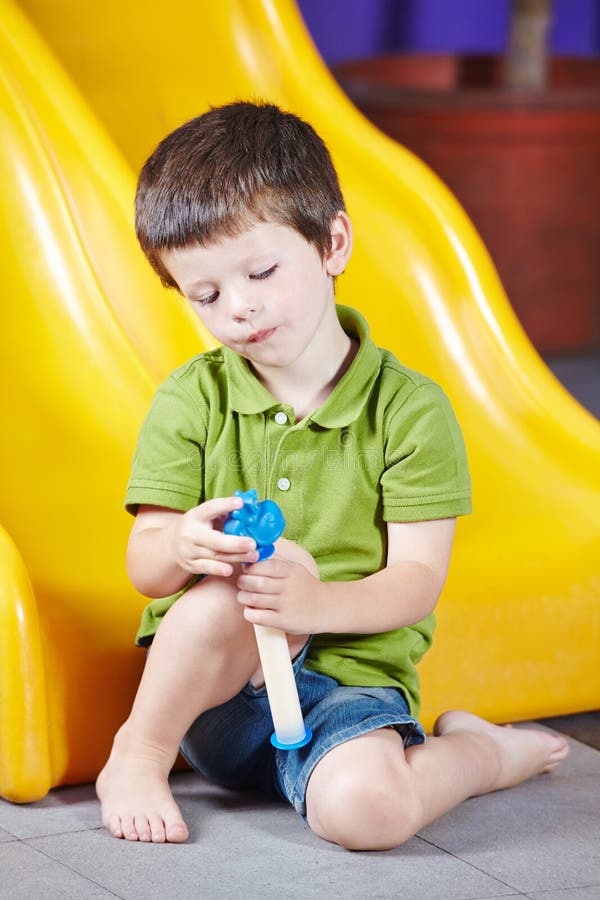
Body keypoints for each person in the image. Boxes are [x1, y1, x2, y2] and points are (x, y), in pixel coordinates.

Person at [96, 101, 569, 849]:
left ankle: (480, 754)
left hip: (346, 688)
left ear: (332, 243)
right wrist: (182, 545)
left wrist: (312, 603)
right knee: (232, 594)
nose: (240, 308)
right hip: (210, 697)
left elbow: (416, 581)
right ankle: (137, 756)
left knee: (368, 815)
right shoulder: (192, 398)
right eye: (207, 295)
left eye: (260, 271)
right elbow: (145, 564)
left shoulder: (410, 410)